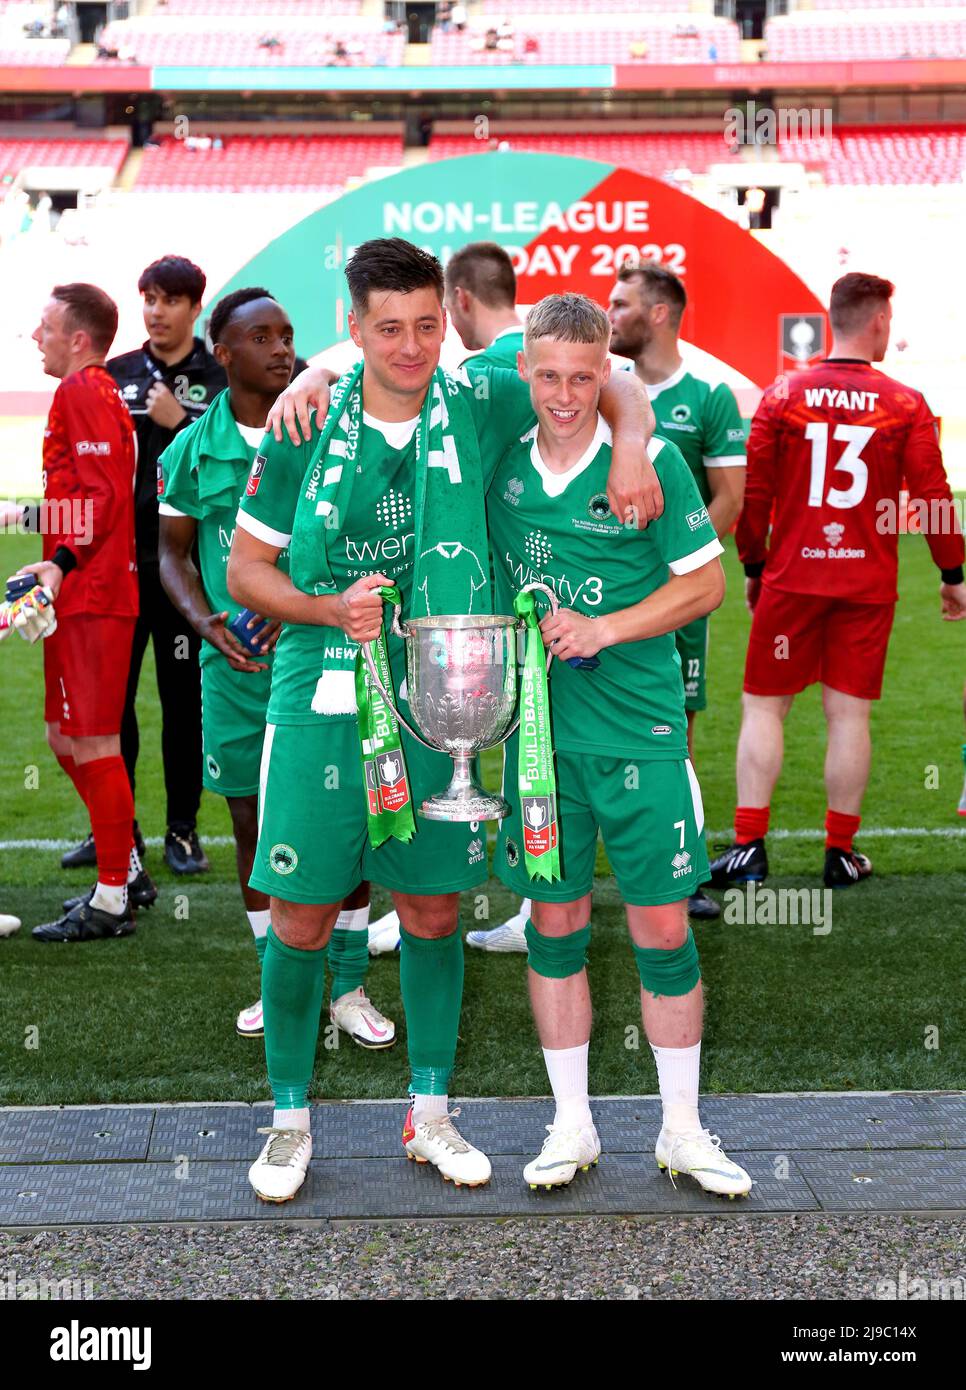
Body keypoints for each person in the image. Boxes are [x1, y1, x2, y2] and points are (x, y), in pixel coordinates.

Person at [226, 238, 659, 1203]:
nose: (414, 345)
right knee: (300, 916)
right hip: (321, 691)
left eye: (428, 323)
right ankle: (290, 1123)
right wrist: (328, 608)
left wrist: (629, 443)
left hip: (443, 693)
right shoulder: (303, 424)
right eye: (388, 328)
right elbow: (245, 575)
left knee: (428, 908)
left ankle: (429, 1115)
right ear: (355, 328)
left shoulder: (480, 393)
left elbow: (608, 376)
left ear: (446, 317)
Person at [487, 292, 750, 1196]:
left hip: (641, 736)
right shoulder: (499, 465)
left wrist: (606, 628)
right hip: (539, 747)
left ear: (610, 374)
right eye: (548, 375)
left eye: (584, 377)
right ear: (522, 369)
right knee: (553, 929)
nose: (565, 394)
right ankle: (571, 1125)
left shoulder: (653, 463)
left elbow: (707, 586)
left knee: (663, 929)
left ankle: (682, 1129)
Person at [158, 287, 394, 1049]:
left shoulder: (333, 425)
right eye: (260, 337)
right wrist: (209, 623)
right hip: (237, 667)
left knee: (346, 818)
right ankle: (277, 983)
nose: (280, 348)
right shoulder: (192, 449)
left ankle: (350, 985)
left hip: (325, 654)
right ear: (221, 355)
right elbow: (171, 551)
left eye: (287, 334)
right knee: (254, 826)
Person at [711, 273, 966, 891]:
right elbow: (932, 496)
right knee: (848, 714)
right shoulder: (904, 402)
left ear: (832, 319)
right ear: (878, 320)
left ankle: (749, 847)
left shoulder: (781, 395)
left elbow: (757, 496)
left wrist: (753, 565)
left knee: (764, 707)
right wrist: (952, 574)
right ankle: (840, 853)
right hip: (866, 584)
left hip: (792, 579)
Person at [607, 262, 745, 920]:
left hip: (673, 600)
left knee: (672, 735)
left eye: (621, 303)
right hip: (599, 596)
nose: (609, 315)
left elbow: (731, 500)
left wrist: (672, 572)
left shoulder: (709, 398)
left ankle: (681, 871)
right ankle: (559, 870)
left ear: (659, 313)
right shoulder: (602, 389)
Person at [23, 284, 156, 942]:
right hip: (76, 593)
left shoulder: (82, 392)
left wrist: (62, 564)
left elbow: (102, 502)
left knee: (95, 742)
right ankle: (123, 865)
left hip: (94, 596)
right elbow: (84, 501)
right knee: (64, 736)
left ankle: (112, 897)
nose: (34, 336)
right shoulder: (94, 393)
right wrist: (29, 535)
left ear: (79, 338)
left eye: (45, 326)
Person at [97, 257, 227, 879]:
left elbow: (239, 452)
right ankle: (118, 836)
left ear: (195, 307)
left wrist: (185, 425)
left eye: (170, 300)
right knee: (112, 706)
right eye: (148, 298)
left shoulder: (219, 374)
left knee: (182, 704)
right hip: (119, 568)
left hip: (183, 568)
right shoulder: (114, 374)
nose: (156, 310)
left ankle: (183, 831)